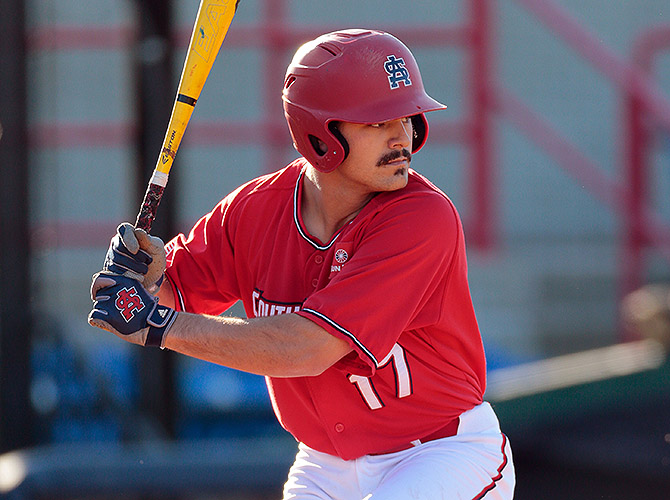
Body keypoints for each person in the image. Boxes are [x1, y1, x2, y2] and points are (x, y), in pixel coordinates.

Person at [89, 28, 515, 499]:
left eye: (408, 115)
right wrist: (143, 277)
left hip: (438, 452)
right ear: (320, 134)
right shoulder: (255, 210)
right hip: (325, 464)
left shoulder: (422, 218)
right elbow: (169, 293)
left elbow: (307, 349)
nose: (402, 135)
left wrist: (160, 326)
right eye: (377, 122)